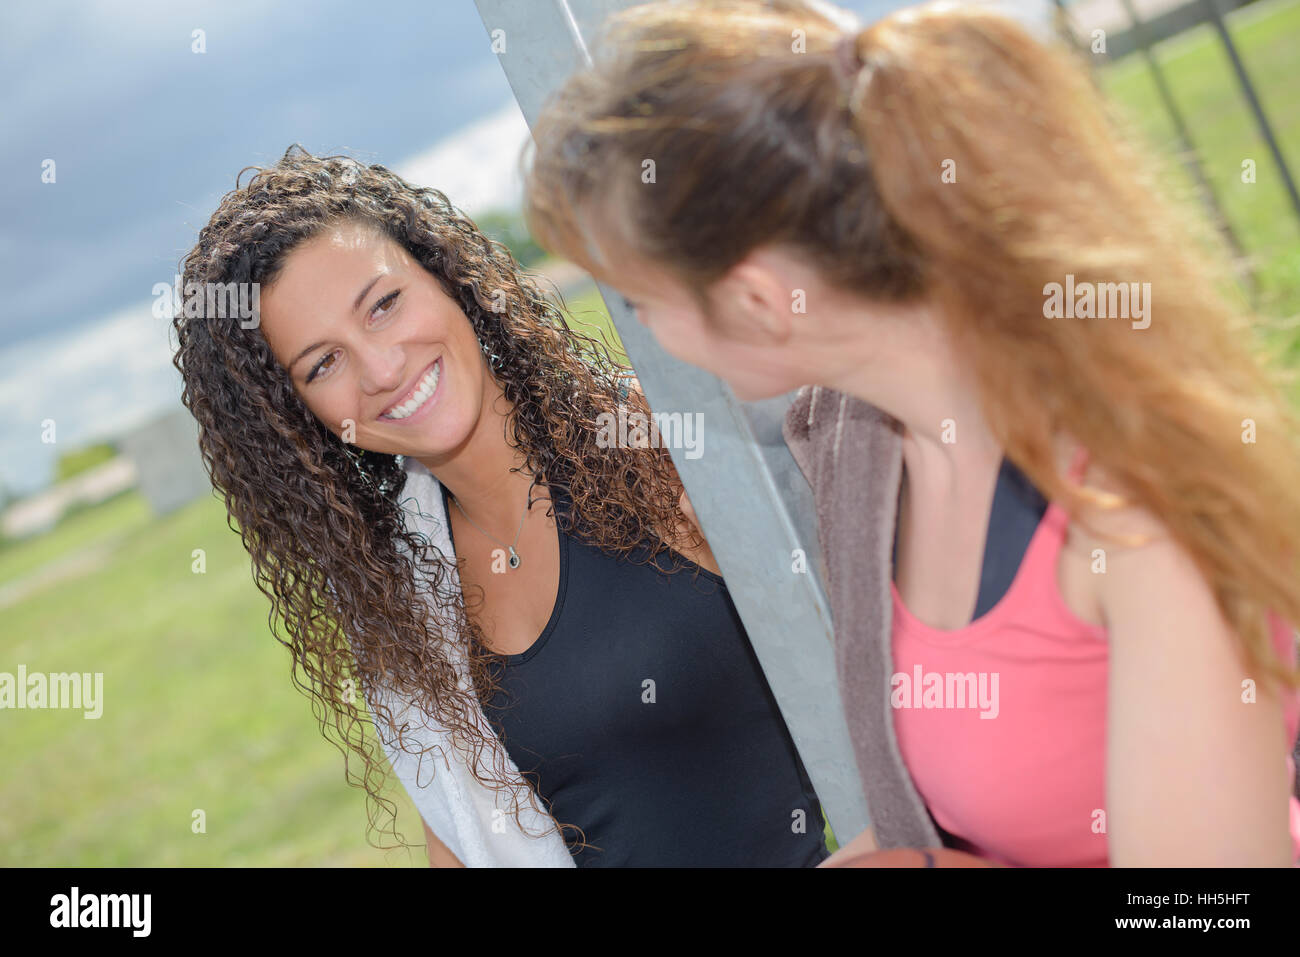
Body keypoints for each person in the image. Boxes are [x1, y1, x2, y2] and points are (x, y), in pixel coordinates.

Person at [521, 0, 1300, 865]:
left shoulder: (1129, 506)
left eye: (640, 299)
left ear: (757, 302)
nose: (647, 335)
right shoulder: (863, 446)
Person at [171, 144, 830, 867]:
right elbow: (462, 841)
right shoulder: (405, 606)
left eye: (384, 304)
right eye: (323, 363)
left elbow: (885, 683)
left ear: (448, 278)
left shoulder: (652, 448)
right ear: (301, 419)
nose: (382, 368)